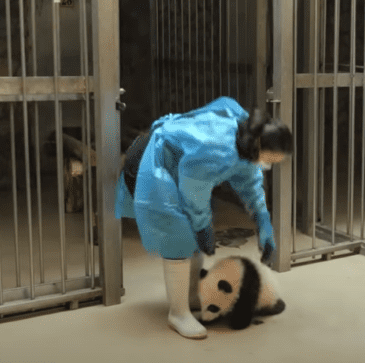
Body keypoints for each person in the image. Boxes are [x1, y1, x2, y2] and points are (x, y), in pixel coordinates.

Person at [115, 96, 292, 339]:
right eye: (269, 161)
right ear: (258, 148)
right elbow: (193, 194)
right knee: (178, 234)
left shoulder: (248, 135)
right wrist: (202, 226)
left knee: (193, 229)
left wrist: (263, 222)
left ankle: (189, 295)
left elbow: (249, 180)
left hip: (177, 163)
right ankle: (177, 314)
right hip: (151, 162)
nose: (267, 167)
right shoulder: (215, 148)